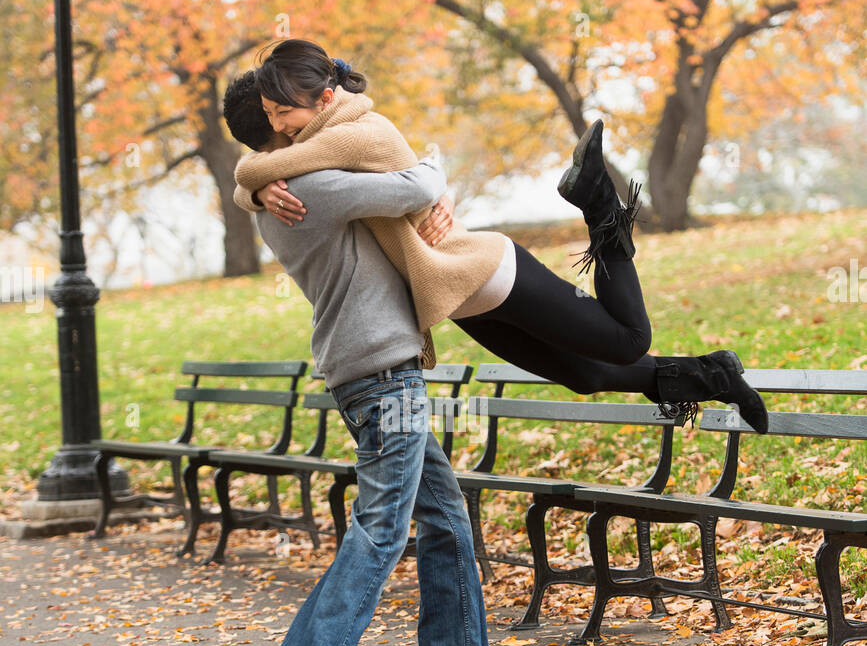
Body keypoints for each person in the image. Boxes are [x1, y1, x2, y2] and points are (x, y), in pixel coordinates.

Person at [233, 40, 769, 433]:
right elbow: (272, 166)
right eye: (272, 117)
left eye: (286, 114)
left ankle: (600, 202)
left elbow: (261, 167)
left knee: (628, 342)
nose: (281, 128)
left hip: (482, 268)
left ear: (326, 98)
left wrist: (249, 188)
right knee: (582, 373)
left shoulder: (350, 131)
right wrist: (253, 193)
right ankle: (711, 376)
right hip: (459, 289)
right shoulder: (328, 133)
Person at [221, 71, 519, 646]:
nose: (300, 124)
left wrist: (246, 184)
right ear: (277, 134)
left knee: (442, 516)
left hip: (374, 373)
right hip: (382, 377)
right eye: (286, 117)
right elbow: (414, 185)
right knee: (381, 530)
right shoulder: (307, 188)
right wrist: (437, 165)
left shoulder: (276, 188)